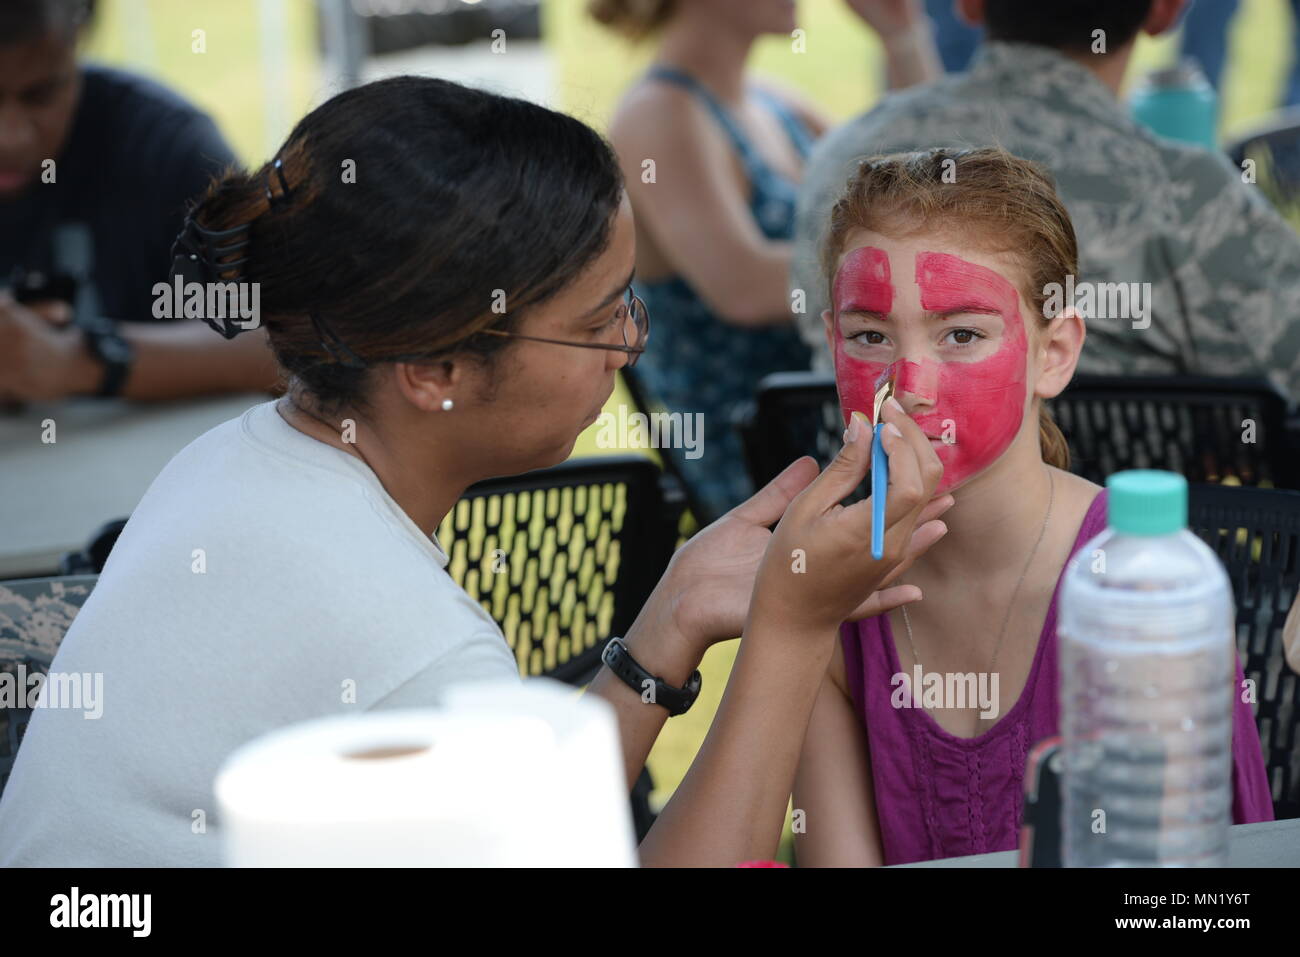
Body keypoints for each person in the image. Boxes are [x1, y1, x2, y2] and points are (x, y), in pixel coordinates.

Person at [0, 76, 953, 867]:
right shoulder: (406, 634)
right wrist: (793, 630)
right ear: (434, 371)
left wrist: (668, 624)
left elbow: (517, 799)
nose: (629, 346)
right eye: (595, 322)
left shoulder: (238, 458)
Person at [791, 148, 1274, 866]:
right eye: (870, 336)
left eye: (962, 334)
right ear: (832, 342)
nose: (911, 383)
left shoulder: (1135, 591)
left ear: (1055, 354)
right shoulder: (832, 594)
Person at [791, 0, 1300, 406]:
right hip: (1125, 523)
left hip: (871, 515)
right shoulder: (1185, 191)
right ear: (1166, 10)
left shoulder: (849, 155)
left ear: (970, 4)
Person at [594, 0, 941, 522]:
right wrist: (917, 269)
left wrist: (902, 37)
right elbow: (744, 287)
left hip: (827, 422)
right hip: (762, 459)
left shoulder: (771, 102)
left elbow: (909, 188)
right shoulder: (658, 114)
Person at [0, 0, 279, 402]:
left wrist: (79, 362)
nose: (12, 136)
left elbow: (280, 340)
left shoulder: (166, 148)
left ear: (77, 44)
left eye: (40, 96)